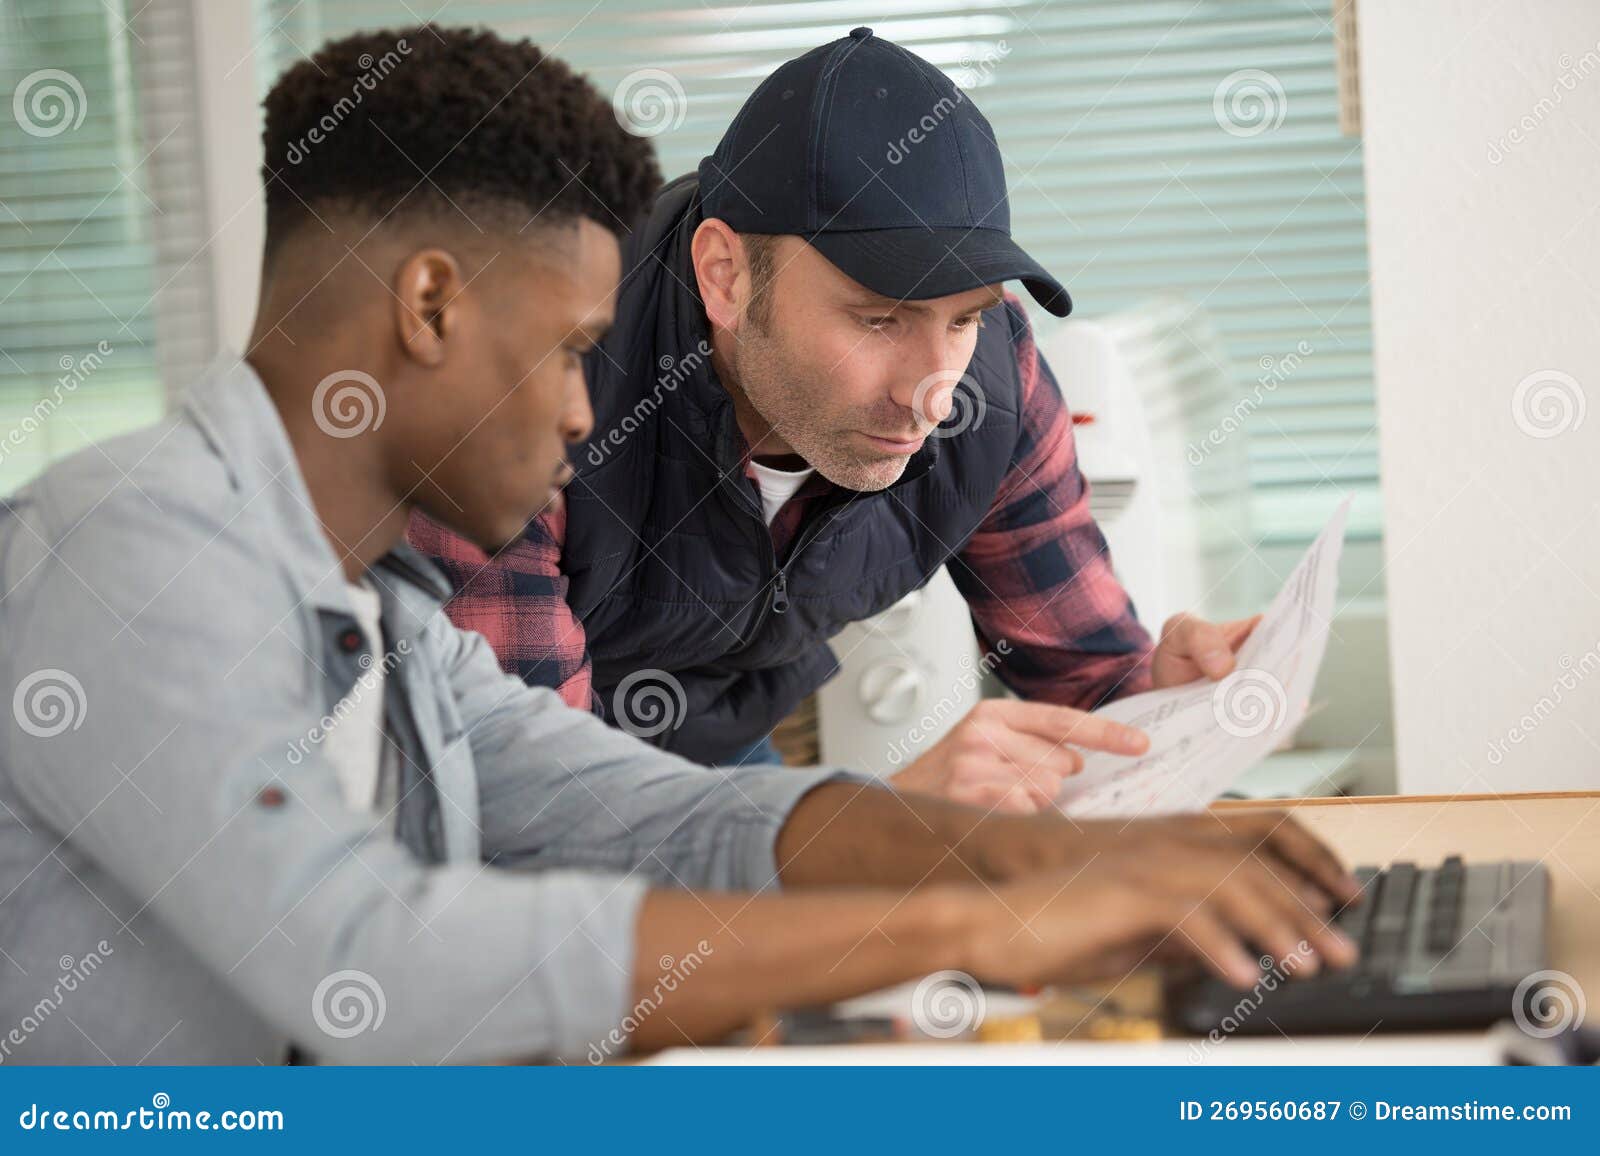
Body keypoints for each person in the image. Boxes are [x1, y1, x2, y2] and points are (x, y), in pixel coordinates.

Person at [0, 25, 1356, 1065]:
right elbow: (375, 962)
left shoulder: (389, 612)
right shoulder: (131, 546)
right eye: (573, 352)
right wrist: (969, 918)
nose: (591, 408)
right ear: (427, 308)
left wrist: (1056, 864)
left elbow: (662, 811)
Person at [408, 27, 1264, 814]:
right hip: (472, 794)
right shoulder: (536, 388)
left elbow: (1090, 681)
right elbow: (530, 809)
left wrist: (1167, 698)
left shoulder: (992, 387)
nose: (932, 392)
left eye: (961, 317)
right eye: (879, 319)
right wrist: (862, 825)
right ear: (726, 277)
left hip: (712, 743)